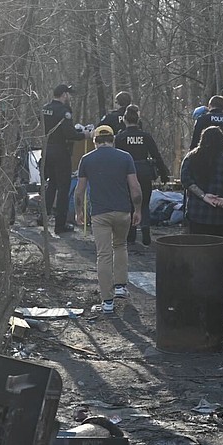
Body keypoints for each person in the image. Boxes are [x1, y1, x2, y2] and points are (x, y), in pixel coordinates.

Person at [74, 125, 143, 315]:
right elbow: (135, 188)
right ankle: (120, 286)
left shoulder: (87, 159)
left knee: (103, 255)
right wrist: (137, 209)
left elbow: (79, 190)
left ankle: (107, 303)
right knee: (120, 246)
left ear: (95, 141)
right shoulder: (125, 157)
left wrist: (79, 211)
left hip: (100, 214)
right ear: (113, 139)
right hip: (123, 212)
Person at [115, 105, 170, 246]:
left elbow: (116, 158)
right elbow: (156, 156)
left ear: (125, 120)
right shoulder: (146, 136)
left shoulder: (121, 137)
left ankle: (131, 234)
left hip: (127, 173)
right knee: (144, 202)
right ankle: (145, 230)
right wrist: (163, 174)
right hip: (144, 171)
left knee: (129, 203)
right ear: (138, 120)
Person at [180, 126, 223, 247]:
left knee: (198, 252)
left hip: (198, 215)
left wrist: (203, 196)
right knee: (221, 255)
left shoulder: (191, 158)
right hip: (222, 218)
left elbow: (185, 180)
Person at [41, 83, 87, 234]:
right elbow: (69, 134)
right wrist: (84, 135)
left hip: (47, 150)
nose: (69, 97)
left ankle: (43, 218)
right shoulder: (63, 111)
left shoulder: (44, 108)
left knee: (50, 184)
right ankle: (60, 225)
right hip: (61, 151)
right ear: (63, 95)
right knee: (63, 188)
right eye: (68, 94)